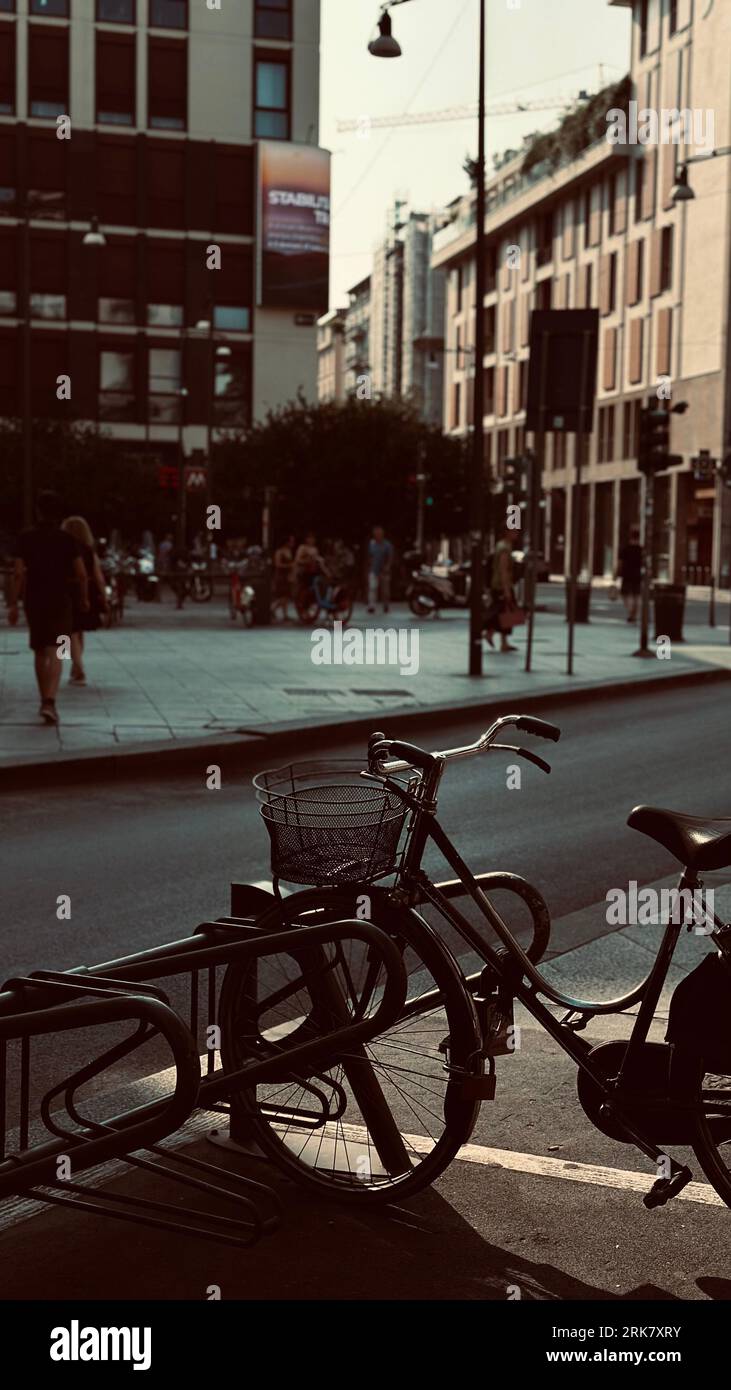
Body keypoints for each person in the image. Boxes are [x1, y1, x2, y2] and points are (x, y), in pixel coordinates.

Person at [8, 490, 89, 725]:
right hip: (61, 601)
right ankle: (50, 702)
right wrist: (83, 599)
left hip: (35, 600)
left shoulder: (26, 538)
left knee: (40, 649)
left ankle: (44, 697)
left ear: (38, 510)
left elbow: (18, 573)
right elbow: (82, 574)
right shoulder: (66, 539)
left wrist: (14, 604)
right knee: (59, 650)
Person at [61, 516, 109, 685]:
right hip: (87, 590)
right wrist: (104, 596)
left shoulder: (62, 550)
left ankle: (76, 666)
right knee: (78, 630)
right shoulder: (88, 550)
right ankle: (74, 667)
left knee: (66, 632)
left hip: (66, 591)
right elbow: (98, 576)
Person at [484, 526, 519, 653]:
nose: (516, 533)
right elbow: (503, 570)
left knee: (505, 614)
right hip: (502, 586)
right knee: (505, 613)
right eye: (514, 531)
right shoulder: (504, 548)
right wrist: (507, 590)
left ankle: (501, 641)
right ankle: (491, 634)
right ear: (507, 532)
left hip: (499, 585)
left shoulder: (502, 546)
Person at [616, 524, 643, 622]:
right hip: (637, 575)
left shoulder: (625, 549)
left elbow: (620, 563)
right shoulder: (641, 549)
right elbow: (644, 564)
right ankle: (634, 614)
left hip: (627, 574)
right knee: (636, 595)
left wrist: (616, 574)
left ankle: (630, 611)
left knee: (625, 594)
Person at [367, 525, 393, 614]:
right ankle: (371, 606)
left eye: (379, 533)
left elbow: (390, 557)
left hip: (384, 570)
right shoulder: (372, 544)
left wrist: (387, 567)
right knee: (372, 588)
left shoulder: (387, 545)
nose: (377, 535)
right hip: (374, 569)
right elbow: (369, 557)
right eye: (376, 533)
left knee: (385, 590)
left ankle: (386, 605)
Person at [272, 534, 296, 620]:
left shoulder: (289, 551)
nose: (292, 543)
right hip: (280, 576)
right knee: (282, 596)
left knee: (285, 596)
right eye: (291, 541)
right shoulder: (280, 551)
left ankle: (283, 614)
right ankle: (273, 609)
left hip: (287, 576)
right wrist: (289, 565)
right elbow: (277, 564)